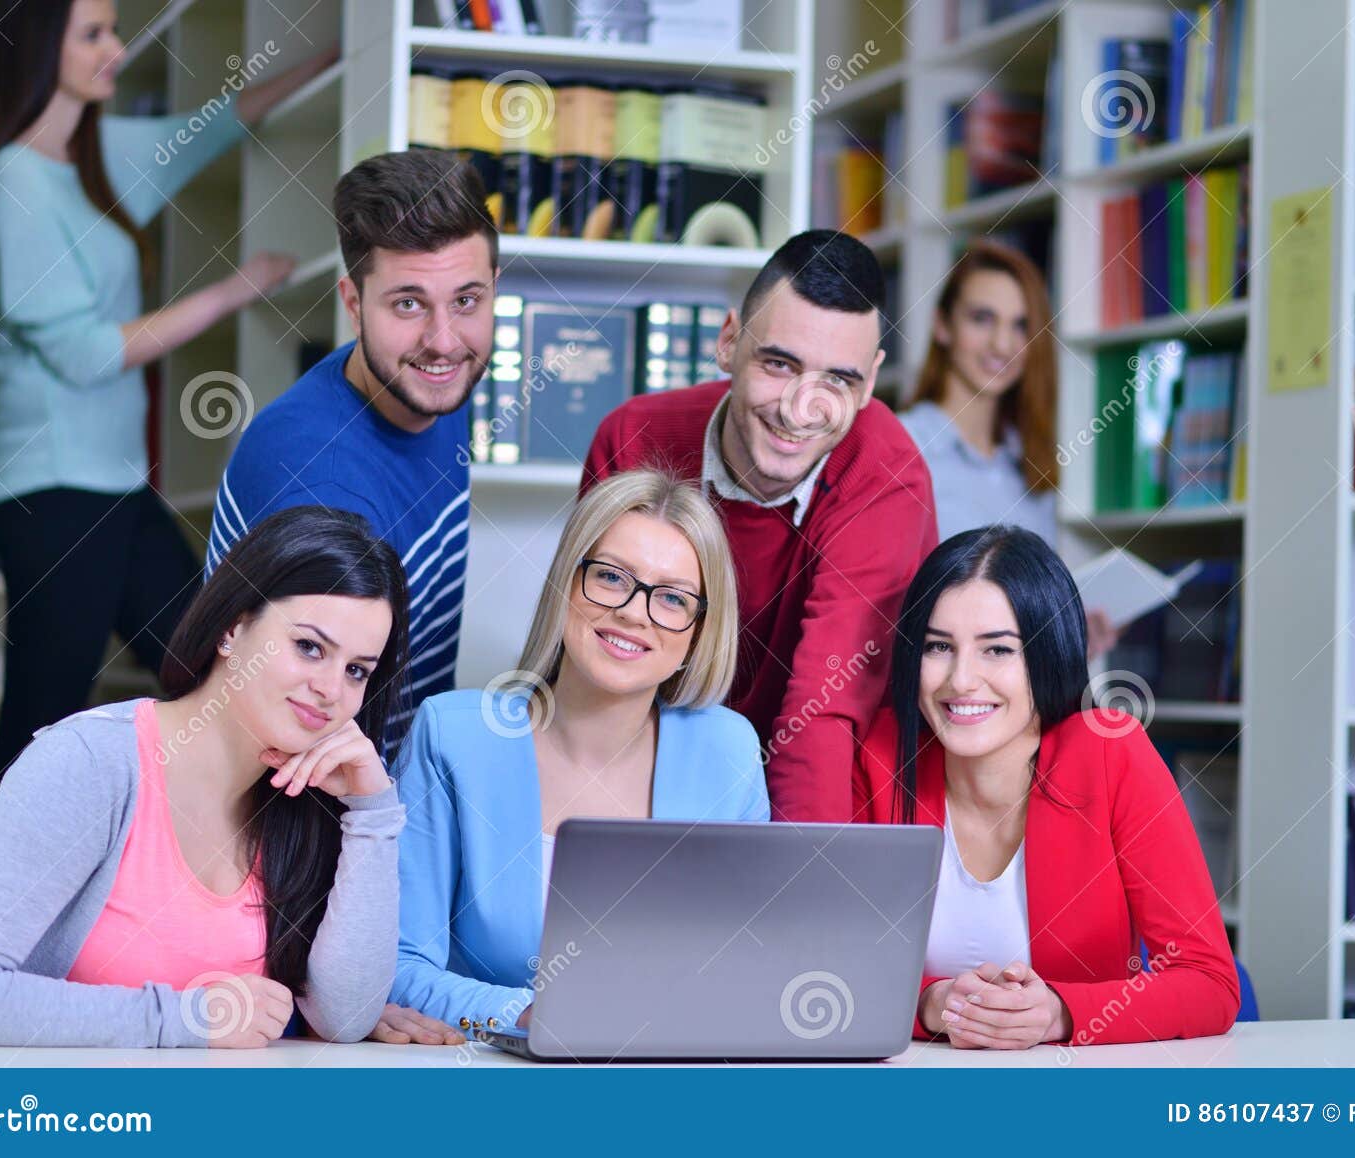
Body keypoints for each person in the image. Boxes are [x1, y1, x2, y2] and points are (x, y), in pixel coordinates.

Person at [0, 0, 336, 862]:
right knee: (43, 725)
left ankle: (213, 875)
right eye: (94, 34)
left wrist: (341, 54)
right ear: (42, 51)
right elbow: (85, 355)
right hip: (49, 489)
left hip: (111, 486)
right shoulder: (14, 181)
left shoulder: (96, 162)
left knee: (211, 666)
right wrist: (236, 290)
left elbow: (213, 127)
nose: (117, 47)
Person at [0, 506, 461, 1048]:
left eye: (357, 670)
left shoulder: (308, 797)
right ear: (232, 628)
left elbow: (343, 1019)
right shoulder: (88, 762)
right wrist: (187, 1018)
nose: (330, 689)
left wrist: (372, 814)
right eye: (309, 647)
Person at [370, 469, 768, 1042]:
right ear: (566, 584)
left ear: (698, 634)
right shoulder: (454, 736)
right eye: (610, 577)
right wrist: (529, 1016)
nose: (633, 612)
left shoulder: (727, 750)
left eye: (673, 598)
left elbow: (748, 968)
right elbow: (399, 966)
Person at [582, 230, 937, 822]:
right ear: (728, 342)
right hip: (651, 774)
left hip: (826, 790)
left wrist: (796, 898)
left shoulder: (887, 478)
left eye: (838, 381)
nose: (800, 408)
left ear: (870, 383)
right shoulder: (633, 439)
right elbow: (596, 667)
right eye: (779, 364)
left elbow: (823, 712)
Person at [853, 525, 1240, 1048]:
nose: (961, 680)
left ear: (1047, 655)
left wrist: (1061, 1013)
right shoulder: (879, 755)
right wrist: (927, 1004)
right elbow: (831, 962)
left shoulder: (1110, 753)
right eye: (939, 646)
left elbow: (1210, 983)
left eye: (998, 651)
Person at [207, 149, 495, 760]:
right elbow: (297, 743)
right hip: (308, 818)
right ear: (352, 302)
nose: (443, 340)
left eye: (466, 301)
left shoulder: (430, 383)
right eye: (408, 304)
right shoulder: (322, 484)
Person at [899, 239, 1118, 658]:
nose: (1003, 344)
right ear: (943, 325)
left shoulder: (1028, 463)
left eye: (1021, 326)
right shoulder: (903, 446)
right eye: (983, 319)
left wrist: (1072, 641)